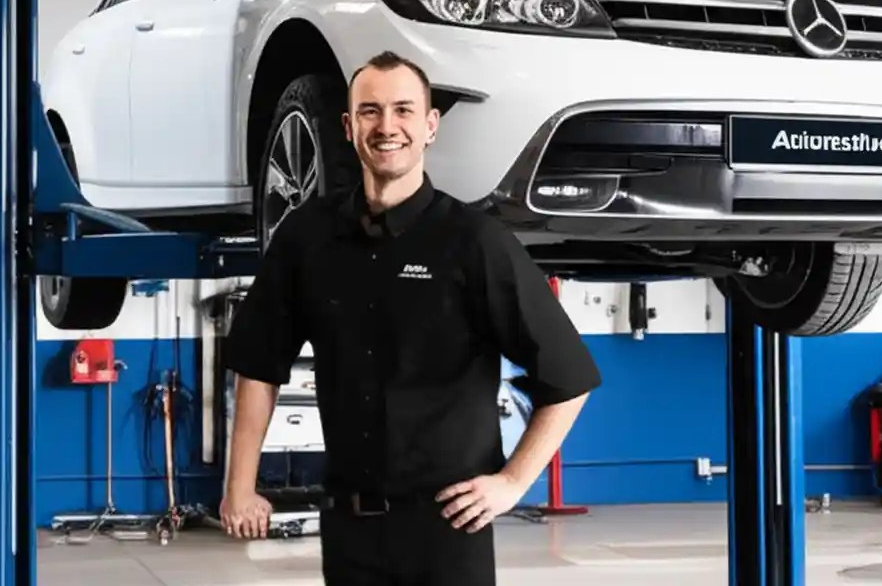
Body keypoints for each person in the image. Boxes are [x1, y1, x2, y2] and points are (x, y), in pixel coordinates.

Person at [218, 50, 602, 585]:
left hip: (447, 528)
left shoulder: (474, 242)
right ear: (349, 127)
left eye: (403, 110)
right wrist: (240, 484)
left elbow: (569, 379)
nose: (387, 126)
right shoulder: (307, 238)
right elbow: (259, 365)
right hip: (349, 528)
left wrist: (514, 481)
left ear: (429, 126)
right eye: (370, 111)